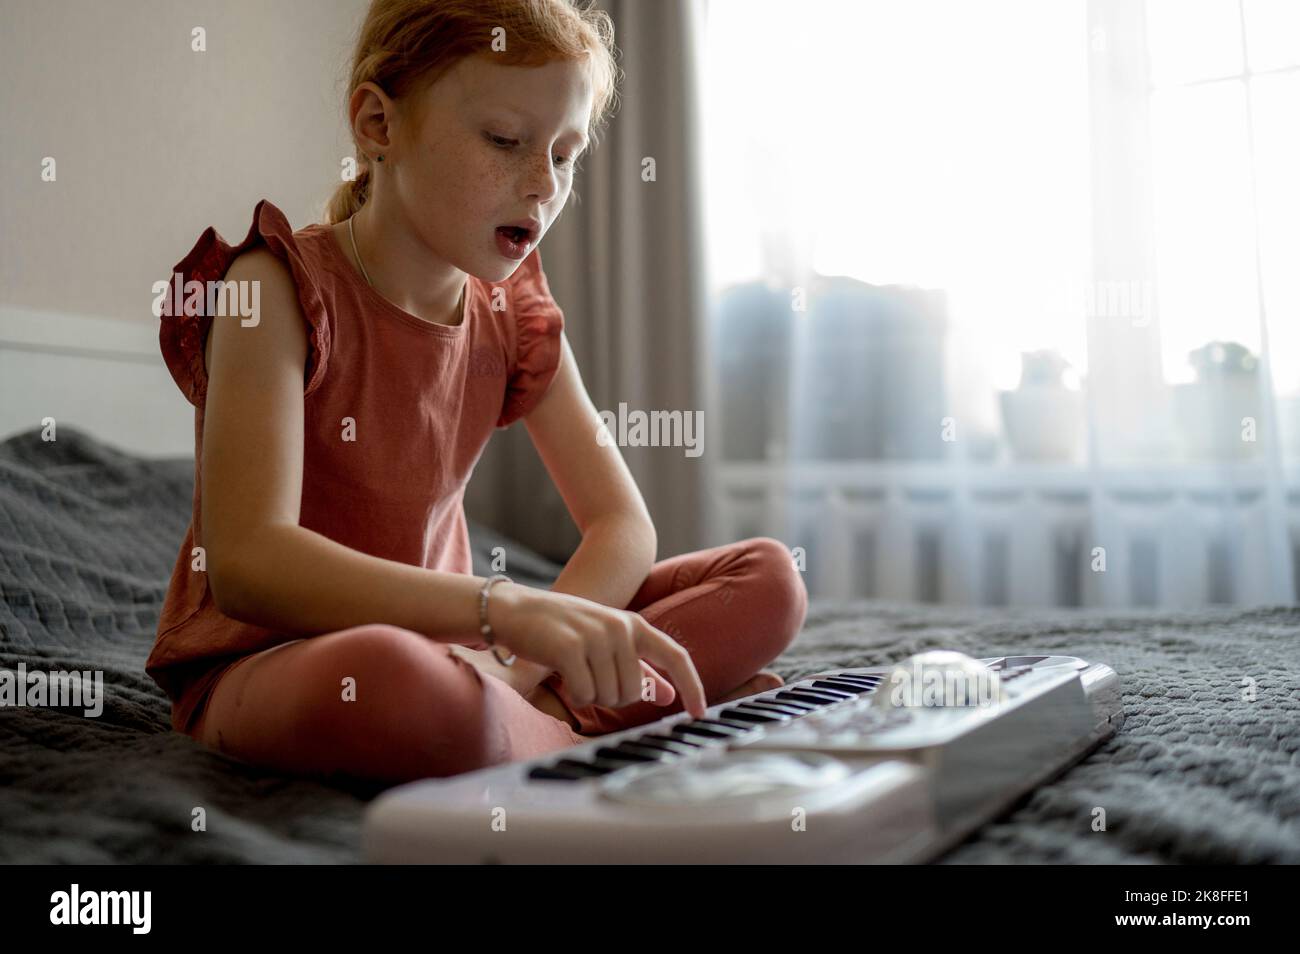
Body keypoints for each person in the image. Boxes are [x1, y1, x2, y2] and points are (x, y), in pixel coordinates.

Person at [145, 0, 808, 784]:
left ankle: (541, 719)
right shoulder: (274, 289)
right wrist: (503, 611)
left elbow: (622, 524)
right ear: (377, 125)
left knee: (767, 579)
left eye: (565, 154)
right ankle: (610, 730)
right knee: (398, 681)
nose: (542, 184)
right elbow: (249, 562)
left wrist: (519, 657)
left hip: (473, 654)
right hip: (278, 660)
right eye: (505, 141)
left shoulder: (511, 315)